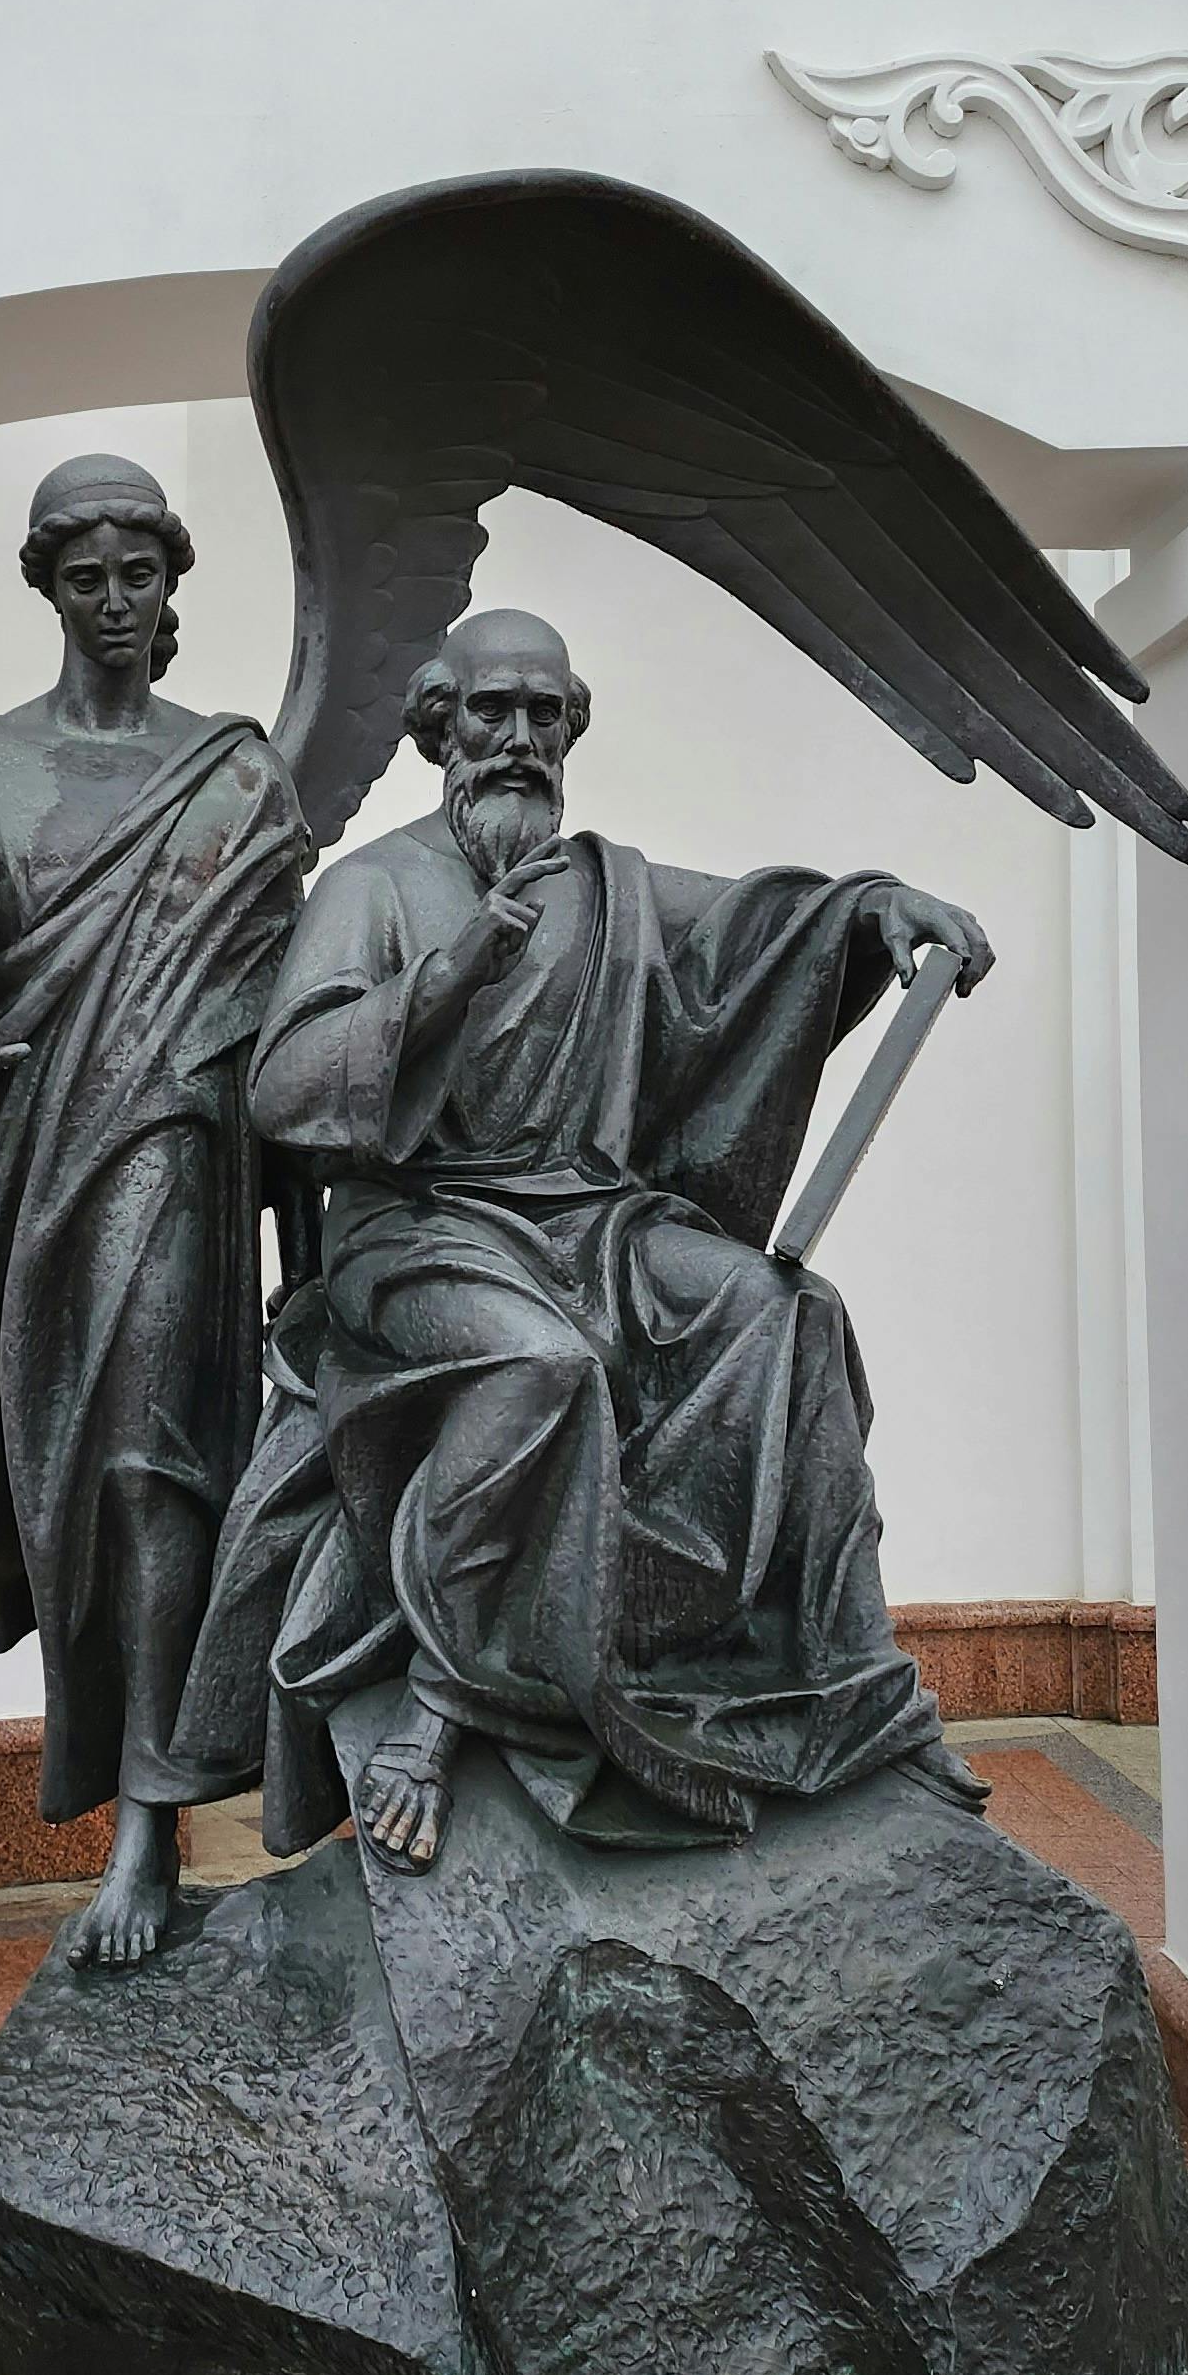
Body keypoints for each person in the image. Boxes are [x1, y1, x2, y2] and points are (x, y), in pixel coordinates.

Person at [170, 604, 993, 1869]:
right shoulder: (374, 887)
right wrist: (442, 981)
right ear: (440, 725)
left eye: (541, 715)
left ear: (571, 726)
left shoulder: (601, 884)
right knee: (538, 1368)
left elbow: (756, 931)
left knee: (786, 1316)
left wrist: (878, 912)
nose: (515, 741)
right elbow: (286, 1091)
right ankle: (445, 1708)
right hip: (423, 1230)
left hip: (590, 1221)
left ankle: (858, 1689)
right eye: (488, 713)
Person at [0, 454, 310, 1963]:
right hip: (26, 1178)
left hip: (182, 1163)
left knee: (150, 1473)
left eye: (140, 574)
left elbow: (293, 1002)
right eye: (86, 577)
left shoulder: (236, 776)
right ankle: (136, 1804)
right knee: (73, 1503)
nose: (115, 601)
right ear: (46, 587)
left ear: (174, 580)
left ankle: (149, 1830)